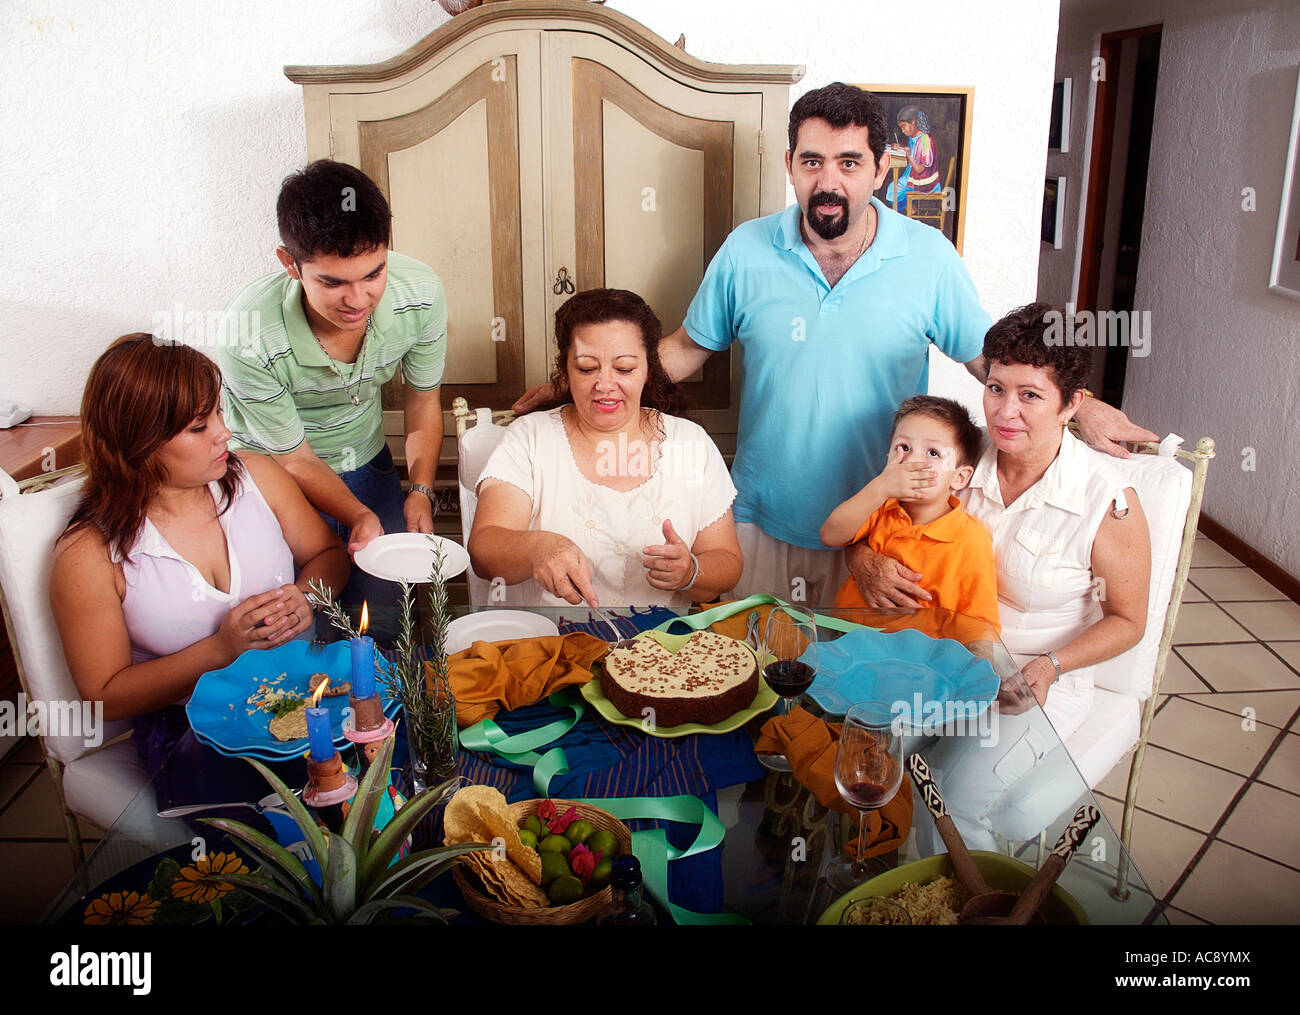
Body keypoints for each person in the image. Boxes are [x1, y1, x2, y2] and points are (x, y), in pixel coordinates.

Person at [514, 83, 1154, 607]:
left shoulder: (928, 258)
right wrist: (582, 382)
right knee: (761, 690)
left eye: (849, 163)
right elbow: (683, 351)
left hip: (880, 525)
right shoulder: (747, 249)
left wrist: (1084, 404)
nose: (829, 180)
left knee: (851, 704)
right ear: (790, 166)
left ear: (880, 169)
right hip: (761, 518)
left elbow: (994, 362)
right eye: (812, 161)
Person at [49, 334, 349, 802]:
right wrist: (220, 649)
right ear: (139, 443)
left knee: (400, 751)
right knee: (302, 818)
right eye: (197, 426)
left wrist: (307, 595)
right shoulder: (89, 554)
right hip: (192, 730)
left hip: (306, 691)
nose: (223, 432)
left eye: (218, 413)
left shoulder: (256, 478)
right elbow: (103, 697)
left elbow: (328, 554)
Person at [914, 304, 1152, 851]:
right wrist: (869, 563)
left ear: (1072, 405)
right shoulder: (956, 457)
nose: (1006, 412)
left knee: (950, 798)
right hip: (949, 662)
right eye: (996, 388)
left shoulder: (1107, 501)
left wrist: (1051, 666)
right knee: (868, 750)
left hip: (1037, 682)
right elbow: (880, 526)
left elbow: (1129, 620)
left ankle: (978, 906)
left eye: (1030, 395)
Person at [219, 160, 447, 640]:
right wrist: (358, 514)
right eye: (332, 282)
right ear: (290, 264)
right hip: (276, 480)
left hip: (368, 462)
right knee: (307, 632)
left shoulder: (420, 293)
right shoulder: (249, 332)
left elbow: (423, 401)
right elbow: (296, 459)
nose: (358, 299)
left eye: (373, 273)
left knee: (386, 622)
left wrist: (421, 488)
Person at [470, 289, 742, 607]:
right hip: (549, 644)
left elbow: (727, 562)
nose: (605, 384)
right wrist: (536, 547)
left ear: (648, 369)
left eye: (624, 368)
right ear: (565, 370)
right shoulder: (529, 438)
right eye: (587, 368)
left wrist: (691, 572)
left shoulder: (691, 444)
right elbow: (484, 552)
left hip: (659, 648)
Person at [821, 395, 999, 634]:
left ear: (960, 477)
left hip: (914, 660)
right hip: (845, 637)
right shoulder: (880, 505)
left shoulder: (969, 539)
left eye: (933, 453)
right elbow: (831, 535)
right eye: (903, 448)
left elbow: (979, 627)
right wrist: (880, 487)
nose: (913, 460)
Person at [885, 105, 941, 213]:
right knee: (892, 190)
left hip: (924, 180)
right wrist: (900, 147)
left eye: (904, 126)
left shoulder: (925, 141)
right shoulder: (913, 138)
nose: (903, 130)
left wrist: (908, 155)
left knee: (892, 192)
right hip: (912, 175)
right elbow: (913, 151)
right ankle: (908, 209)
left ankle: (907, 210)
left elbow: (920, 169)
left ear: (913, 122)